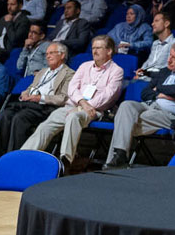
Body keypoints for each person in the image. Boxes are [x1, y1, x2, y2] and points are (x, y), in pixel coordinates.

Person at [21, 35, 125, 169]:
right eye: (93, 48)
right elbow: (72, 88)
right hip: (74, 105)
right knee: (46, 125)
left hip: (95, 110)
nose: (94, 51)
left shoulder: (117, 71)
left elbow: (107, 96)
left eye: (99, 48)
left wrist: (85, 106)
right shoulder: (84, 66)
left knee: (73, 117)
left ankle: (65, 161)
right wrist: (82, 102)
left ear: (109, 51)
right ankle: (23, 157)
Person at [104, 40, 175, 168]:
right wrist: (160, 95)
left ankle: (114, 162)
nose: (169, 60)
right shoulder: (164, 72)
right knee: (126, 106)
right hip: (150, 104)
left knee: (124, 120)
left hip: (171, 114)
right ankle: (121, 155)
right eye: (170, 55)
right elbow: (145, 93)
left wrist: (158, 88)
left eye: (174, 58)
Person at [0, 42, 73, 167]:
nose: (48, 56)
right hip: (30, 104)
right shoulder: (42, 72)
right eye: (47, 54)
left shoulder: (69, 73)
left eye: (52, 53)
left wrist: (40, 98)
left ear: (62, 55)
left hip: (47, 107)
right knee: (5, 114)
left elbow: (63, 98)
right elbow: (31, 88)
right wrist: (25, 94)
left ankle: (14, 160)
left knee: (20, 118)